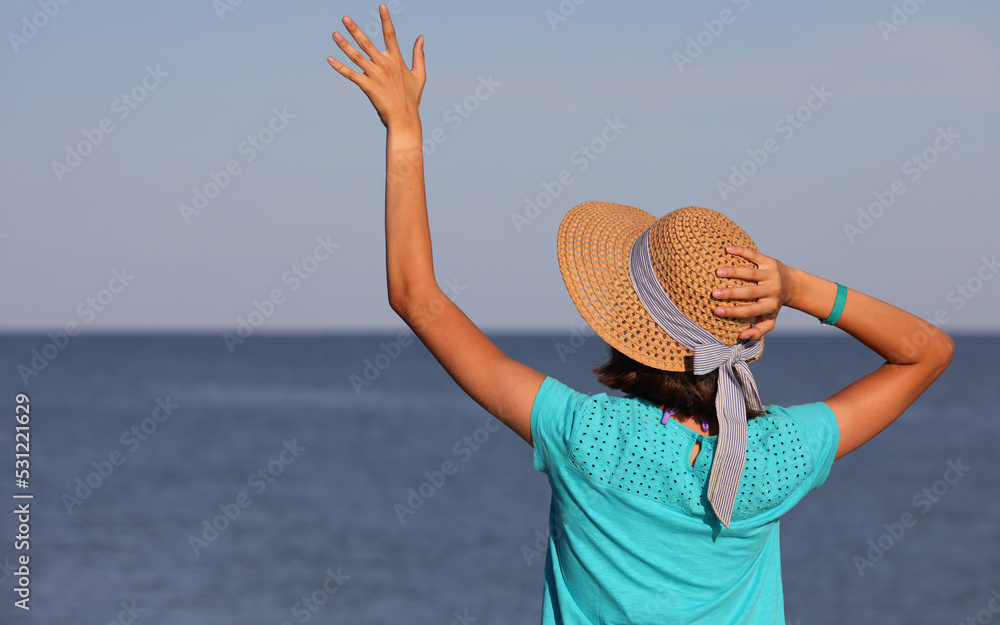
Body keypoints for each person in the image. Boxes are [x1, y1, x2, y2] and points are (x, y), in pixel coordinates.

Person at [326, 6, 955, 623]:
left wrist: (404, 129)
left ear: (624, 324)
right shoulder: (776, 455)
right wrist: (797, 287)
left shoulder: (584, 436)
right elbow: (926, 351)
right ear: (743, 326)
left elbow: (417, 297)